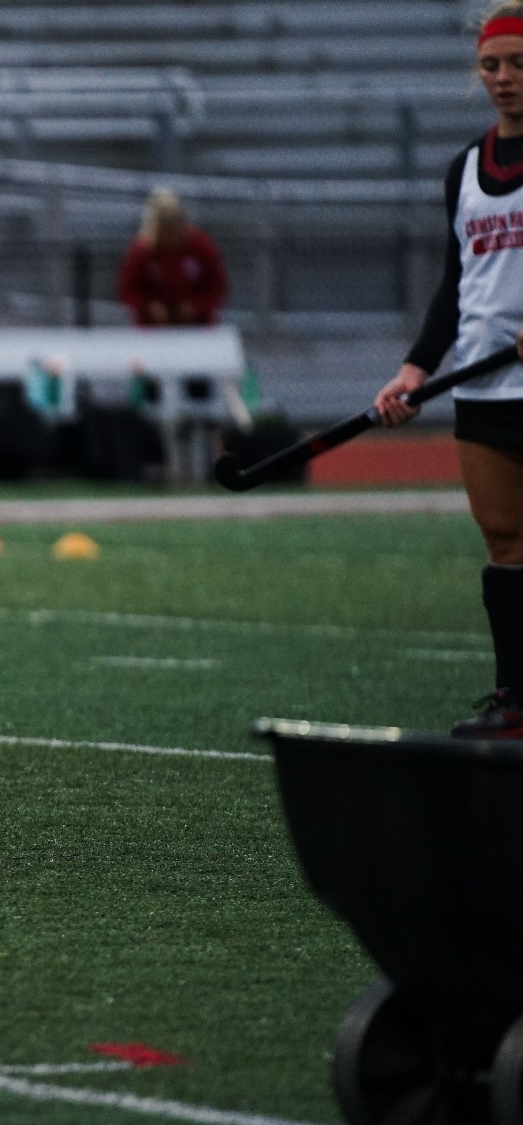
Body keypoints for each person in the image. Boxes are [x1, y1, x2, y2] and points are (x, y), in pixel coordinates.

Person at [374, 4, 523, 737]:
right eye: (491, 65)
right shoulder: (465, 168)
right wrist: (415, 367)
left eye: (518, 64)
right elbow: (457, 280)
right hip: (484, 384)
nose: (504, 78)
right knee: (505, 544)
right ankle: (516, 699)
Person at [115, 187, 229, 327]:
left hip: (198, 327)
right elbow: (126, 290)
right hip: (152, 329)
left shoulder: (202, 246)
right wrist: (148, 306)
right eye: (166, 233)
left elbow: (218, 288)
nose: (172, 239)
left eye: (175, 232)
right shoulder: (141, 250)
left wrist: (196, 306)